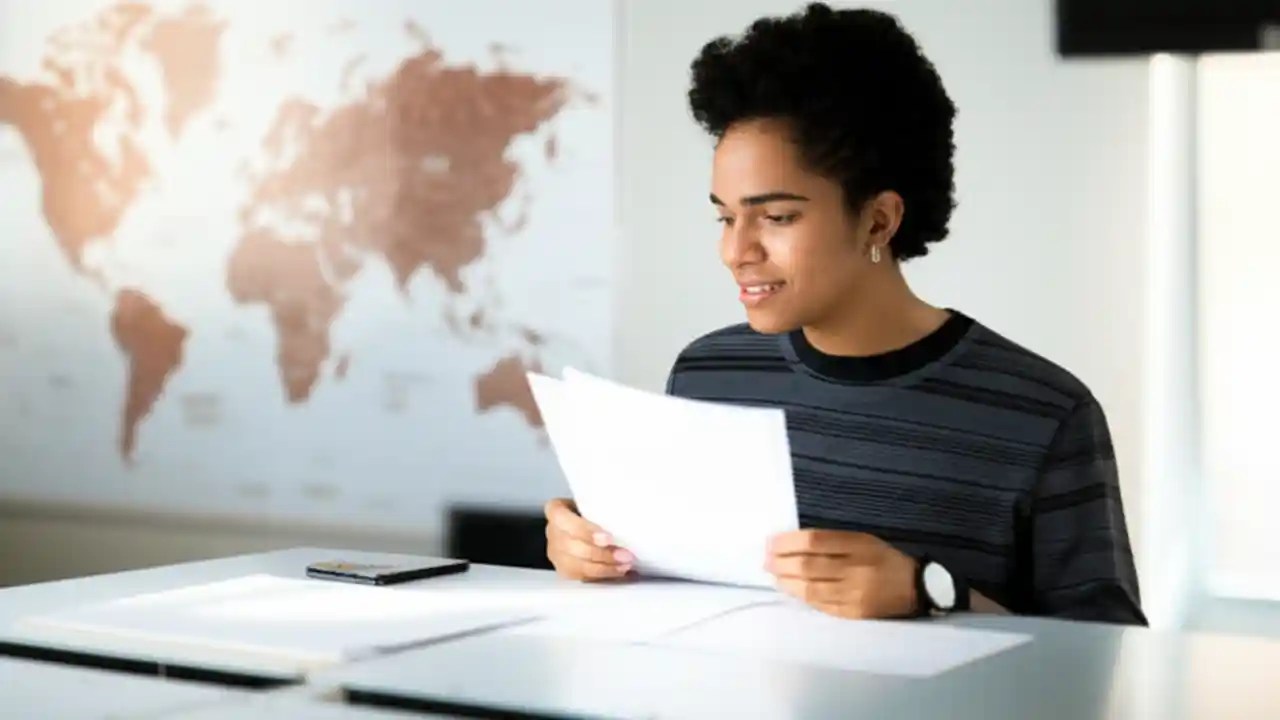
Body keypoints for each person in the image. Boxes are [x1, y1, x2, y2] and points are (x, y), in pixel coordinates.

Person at [543, 3, 1145, 625]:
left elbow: (1109, 659)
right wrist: (595, 550)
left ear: (878, 220)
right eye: (725, 217)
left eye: (776, 218)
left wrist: (931, 591)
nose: (735, 251)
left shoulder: (1043, 413)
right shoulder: (708, 373)